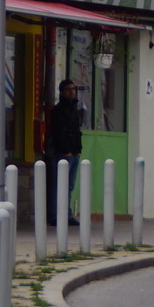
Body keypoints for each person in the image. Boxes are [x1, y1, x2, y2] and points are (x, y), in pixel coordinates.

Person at [45, 79, 85, 226]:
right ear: (62, 92)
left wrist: (77, 150)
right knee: (58, 185)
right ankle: (55, 215)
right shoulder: (58, 110)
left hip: (74, 153)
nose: (72, 92)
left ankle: (66, 215)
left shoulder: (74, 108)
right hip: (62, 154)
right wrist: (66, 150)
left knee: (69, 186)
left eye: (73, 89)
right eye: (68, 90)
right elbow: (58, 132)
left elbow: (76, 131)